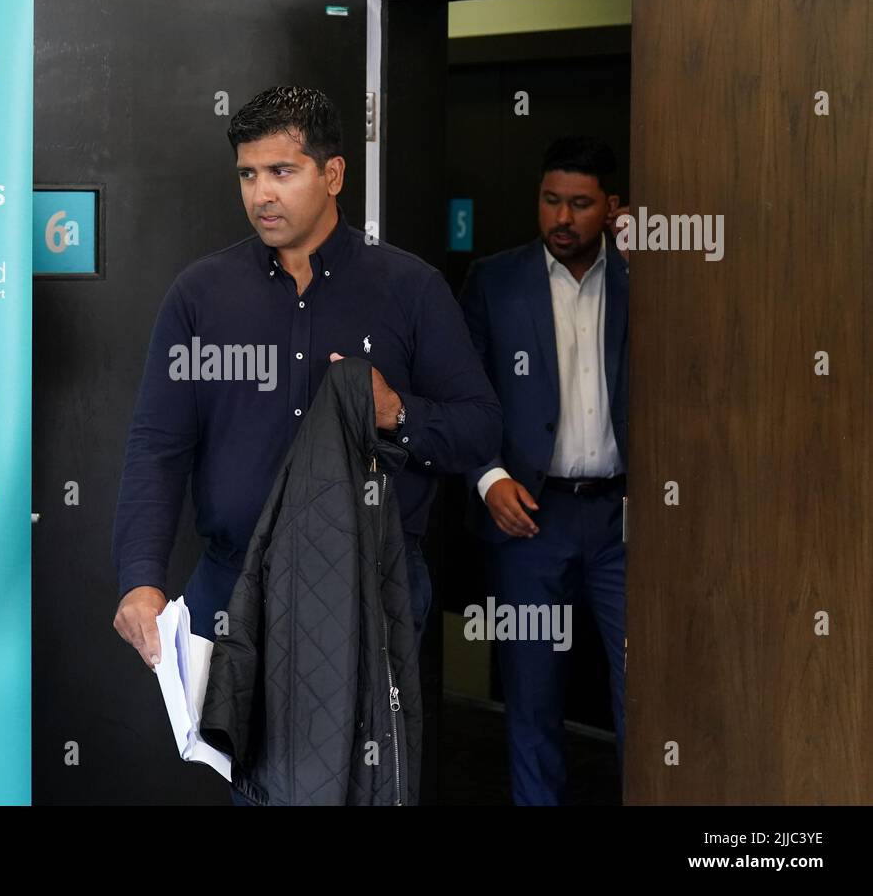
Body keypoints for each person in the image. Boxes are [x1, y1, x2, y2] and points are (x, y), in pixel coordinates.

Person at [109, 87, 502, 801]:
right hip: (234, 590)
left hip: (368, 590)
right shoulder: (200, 295)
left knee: (362, 785)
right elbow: (156, 445)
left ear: (334, 174)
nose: (261, 193)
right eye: (248, 174)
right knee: (256, 785)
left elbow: (479, 428)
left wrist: (395, 411)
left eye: (282, 171)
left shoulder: (410, 290)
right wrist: (140, 576)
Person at [459, 136, 629, 805]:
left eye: (581, 204)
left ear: (612, 207)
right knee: (531, 699)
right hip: (530, 520)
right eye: (551, 200)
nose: (562, 217)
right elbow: (461, 392)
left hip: (624, 523)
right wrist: (487, 476)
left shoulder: (644, 275)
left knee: (645, 694)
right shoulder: (494, 281)